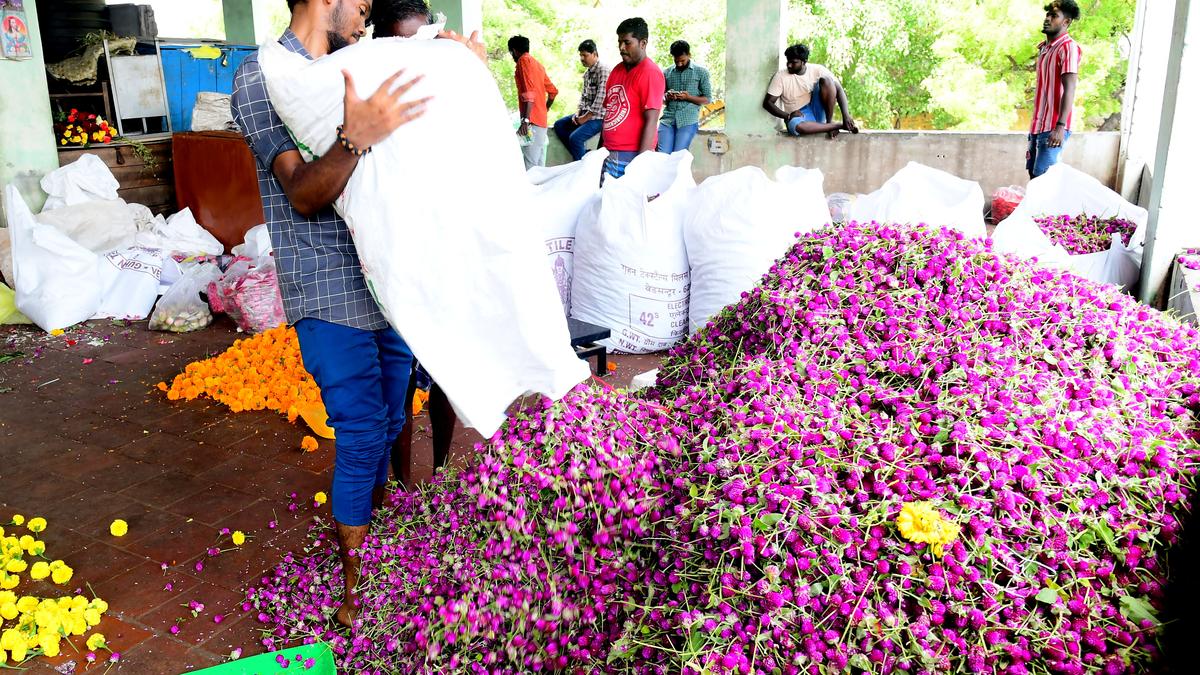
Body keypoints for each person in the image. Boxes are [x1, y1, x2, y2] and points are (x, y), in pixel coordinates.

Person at [231, 0, 483, 629]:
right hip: (324, 286)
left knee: (397, 414)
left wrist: (458, 72)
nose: (368, 7)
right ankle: (354, 590)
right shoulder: (260, 77)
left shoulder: (356, 63)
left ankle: (366, 540)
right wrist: (354, 138)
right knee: (365, 430)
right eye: (359, 0)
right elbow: (303, 194)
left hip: (384, 279)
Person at [370, 0, 460, 484]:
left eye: (419, 43)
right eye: (398, 44)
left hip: (441, 257)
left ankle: (442, 473)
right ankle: (403, 485)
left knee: (444, 377)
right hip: (396, 263)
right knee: (400, 385)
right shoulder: (372, 100)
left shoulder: (446, 94)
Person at [601, 17, 666, 180]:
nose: (621, 48)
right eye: (619, 42)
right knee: (607, 202)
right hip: (609, 152)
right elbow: (609, 114)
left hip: (631, 156)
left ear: (643, 43)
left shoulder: (650, 73)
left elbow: (652, 121)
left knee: (626, 203)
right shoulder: (617, 70)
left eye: (627, 42)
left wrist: (640, 166)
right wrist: (600, 151)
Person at [1028, 1, 1082, 179]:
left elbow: (1070, 88)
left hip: (1053, 127)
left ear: (1066, 22)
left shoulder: (1068, 47)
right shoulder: (1044, 49)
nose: (1048, 19)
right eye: (1047, 15)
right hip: (1037, 125)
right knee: (1033, 175)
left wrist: (1061, 127)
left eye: (1054, 16)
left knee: (1045, 180)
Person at [762, 43, 858, 138]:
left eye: (794, 62)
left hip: (816, 108)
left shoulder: (817, 70)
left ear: (804, 62)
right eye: (788, 61)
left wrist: (846, 116)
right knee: (798, 126)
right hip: (799, 116)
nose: (789, 65)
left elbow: (839, 90)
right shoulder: (780, 77)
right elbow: (768, 103)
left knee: (827, 80)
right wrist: (787, 116)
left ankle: (829, 122)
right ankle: (836, 126)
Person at [552, 39, 610, 162]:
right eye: (580, 55)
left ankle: (580, 167)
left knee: (575, 138)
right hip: (585, 113)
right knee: (559, 125)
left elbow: (601, 98)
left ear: (595, 54)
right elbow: (583, 97)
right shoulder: (587, 73)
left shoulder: (603, 70)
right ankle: (583, 156)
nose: (582, 58)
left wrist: (585, 118)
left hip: (599, 117)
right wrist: (578, 113)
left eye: (585, 55)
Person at [509, 35, 558, 169]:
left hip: (531, 123)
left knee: (530, 166)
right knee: (539, 167)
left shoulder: (523, 61)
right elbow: (553, 92)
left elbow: (529, 94)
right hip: (541, 122)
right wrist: (544, 108)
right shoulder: (538, 65)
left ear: (514, 50)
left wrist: (525, 120)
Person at [658, 40, 711, 154]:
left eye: (682, 60)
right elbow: (660, 99)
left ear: (689, 55)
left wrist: (688, 97)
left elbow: (707, 99)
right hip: (668, 120)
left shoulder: (701, 72)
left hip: (687, 121)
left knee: (678, 156)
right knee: (662, 156)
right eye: (676, 61)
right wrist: (667, 96)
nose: (679, 64)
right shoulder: (667, 73)